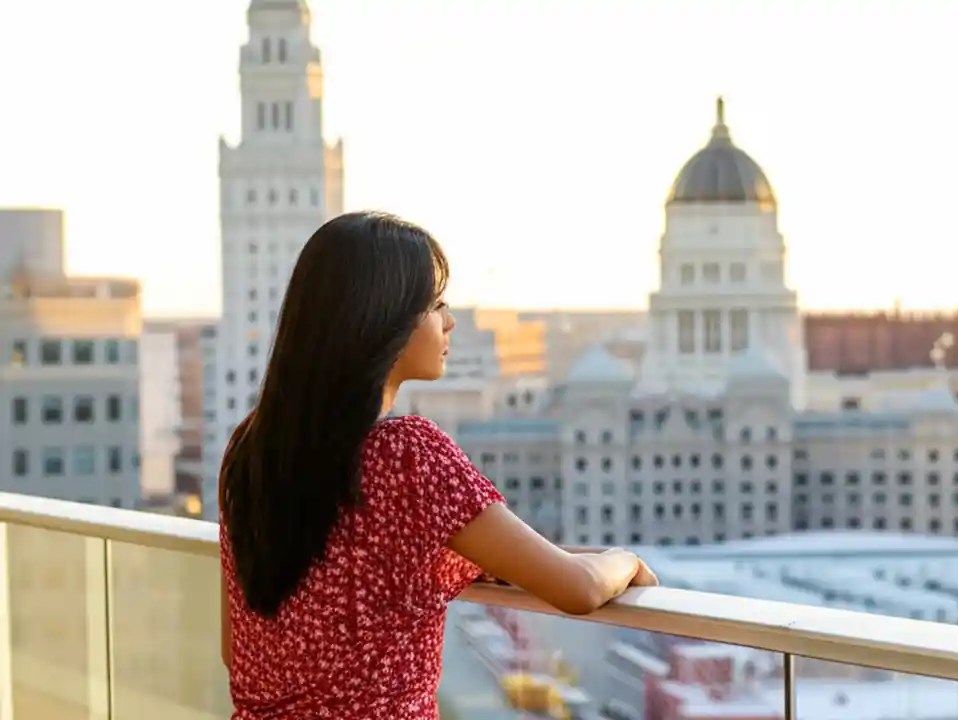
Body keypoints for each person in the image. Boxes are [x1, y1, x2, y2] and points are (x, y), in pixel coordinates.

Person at [218, 211, 658, 719]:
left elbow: (237, 651)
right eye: (434, 303)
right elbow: (578, 587)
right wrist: (625, 560)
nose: (449, 321)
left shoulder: (250, 449)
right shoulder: (408, 455)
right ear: (382, 319)